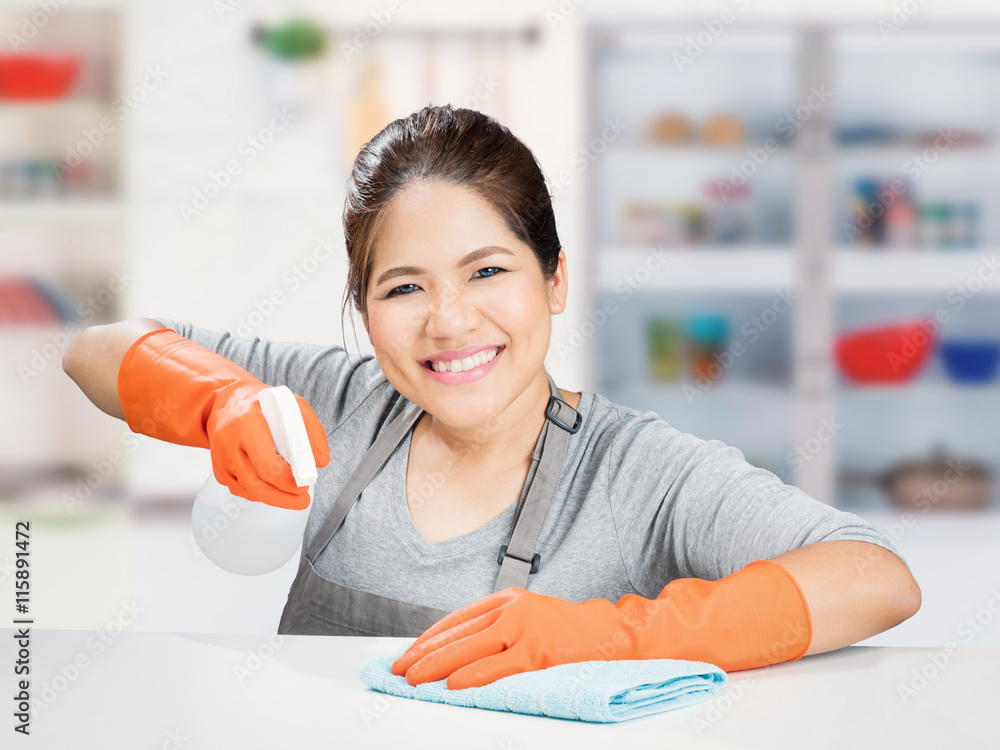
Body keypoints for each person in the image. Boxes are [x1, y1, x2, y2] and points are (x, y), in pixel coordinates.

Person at [63, 104, 920, 691]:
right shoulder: (337, 400)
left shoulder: (634, 473)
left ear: (554, 278)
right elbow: (92, 349)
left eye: (487, 271)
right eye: (403, 288)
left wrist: (618, 636)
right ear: (364, 311)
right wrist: (219, 403)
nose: (448, 321)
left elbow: (875, 577)